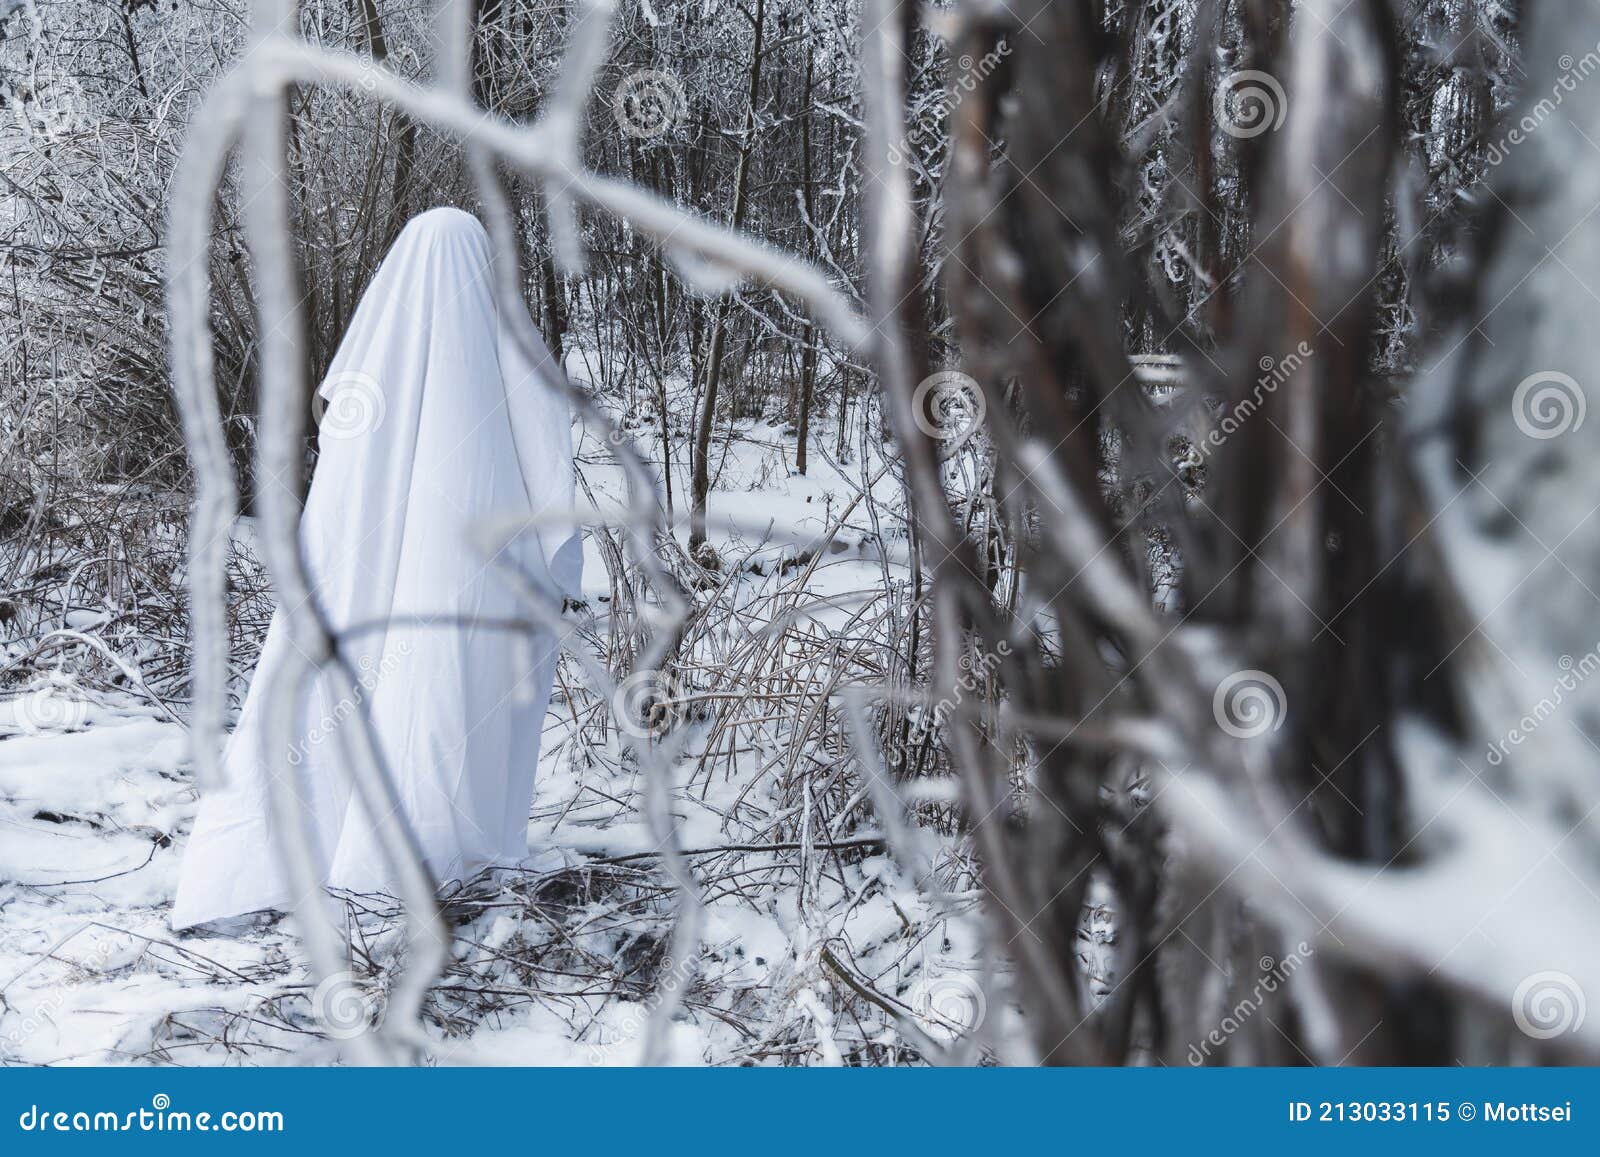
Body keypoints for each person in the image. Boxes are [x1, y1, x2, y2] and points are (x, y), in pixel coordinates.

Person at [172, 207, 581, 930]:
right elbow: (548, 452)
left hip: (397, 574)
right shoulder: (503, 346)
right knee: (454, 690)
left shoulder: (379, 362)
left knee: (388, 686)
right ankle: (444, 845)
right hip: (484, 563)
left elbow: (341, 479)